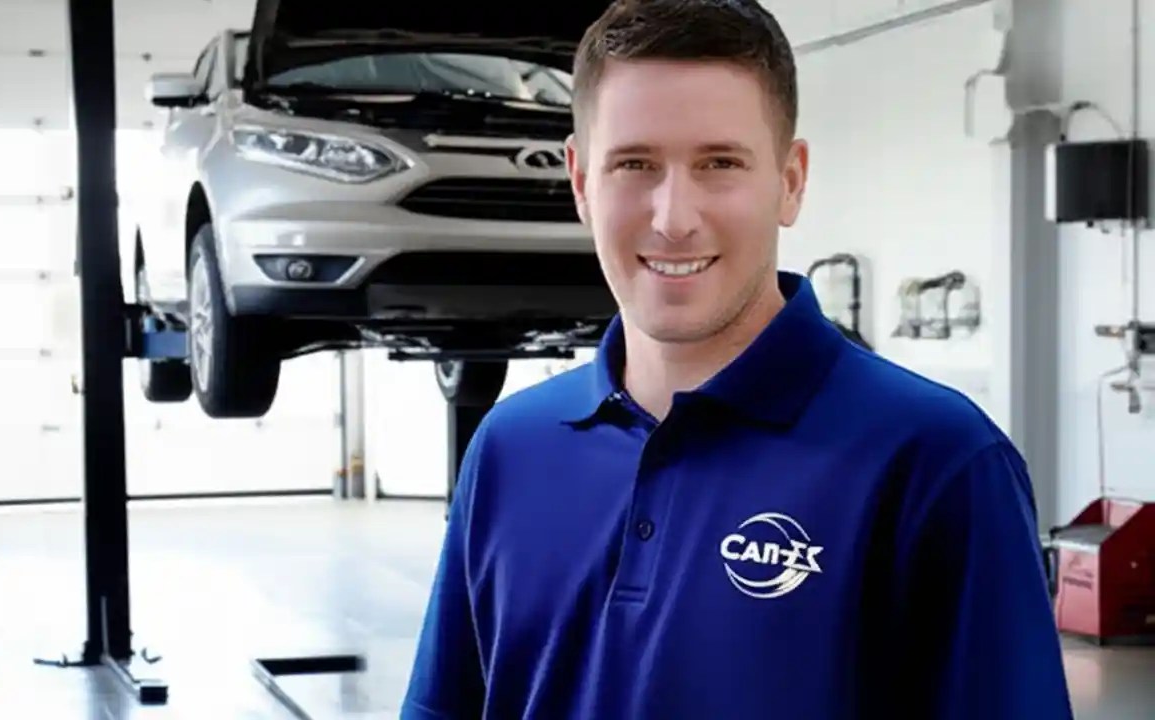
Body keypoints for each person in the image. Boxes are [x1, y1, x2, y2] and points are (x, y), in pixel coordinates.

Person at [401, 1, 1074, 718]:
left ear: (790, 180)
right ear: (580, 183)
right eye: (634, 163)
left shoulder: (936, 461)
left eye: (719, 163)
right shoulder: (511, 449)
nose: (673, 218)